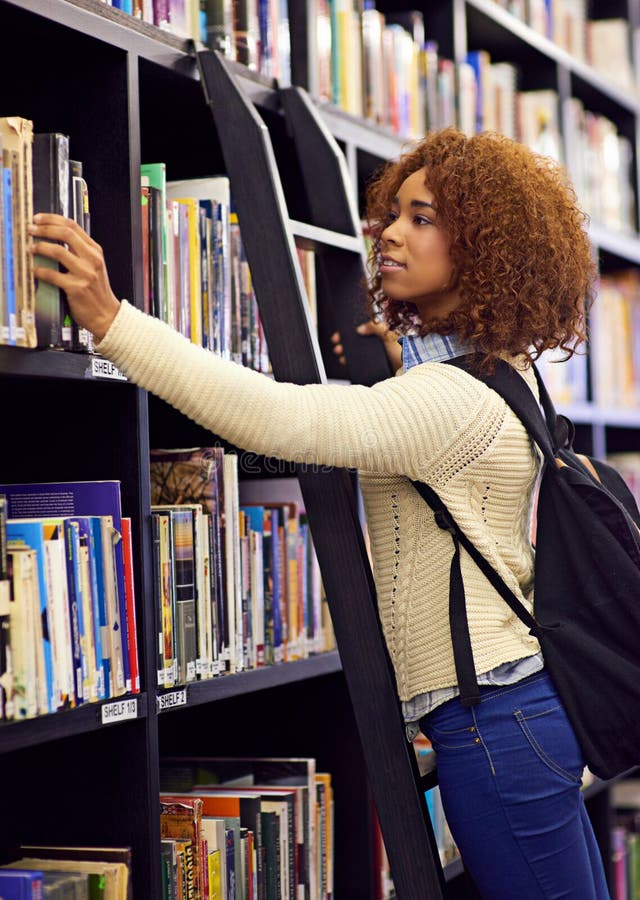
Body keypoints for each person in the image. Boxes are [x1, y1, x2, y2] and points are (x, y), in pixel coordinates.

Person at [29, 127, 608, 899]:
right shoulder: (507, 371)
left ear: (484, 248)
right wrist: (407, 359)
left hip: (495, 723)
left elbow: (278, 417)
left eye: (423, 218)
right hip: (521, 709)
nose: (391, 234)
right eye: (394, 212)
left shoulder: (447, 403)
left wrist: (111, 320)